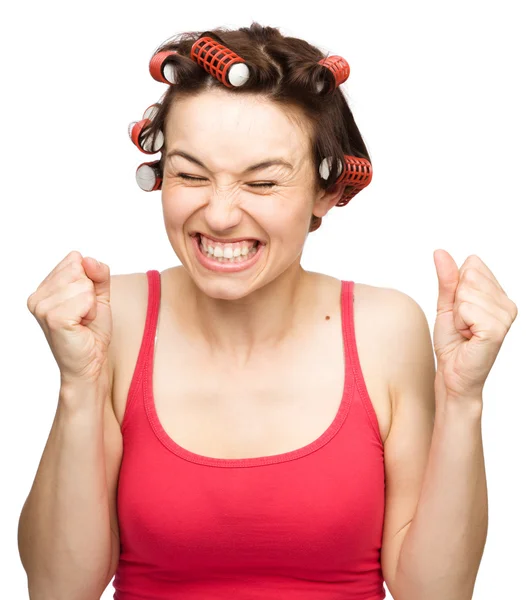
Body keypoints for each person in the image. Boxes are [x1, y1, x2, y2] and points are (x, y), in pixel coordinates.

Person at [18, 22, 502, 600]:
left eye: (263, 182)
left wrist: (463, 400)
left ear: (326, 191)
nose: (220, 215)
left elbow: (436, 593)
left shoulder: (386, 329)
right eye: (191, 174)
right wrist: (79, 385)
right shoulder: (109, 317)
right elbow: (57, 588)